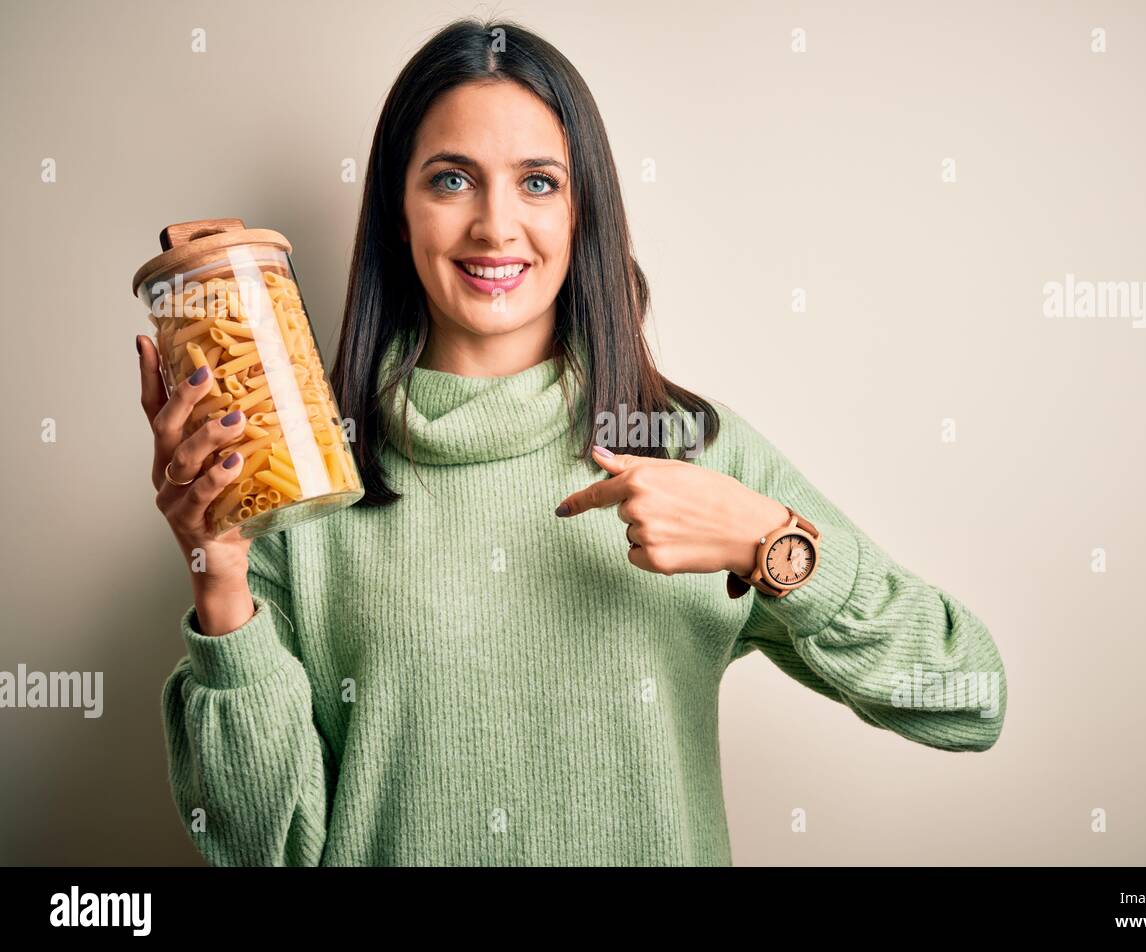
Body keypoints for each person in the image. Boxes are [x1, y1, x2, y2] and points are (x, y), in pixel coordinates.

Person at [137, 17, 1007, 866]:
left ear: (584, 211)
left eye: (539, 182)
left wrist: (766, 541)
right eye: (450, 180)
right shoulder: (302, 483)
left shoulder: (689, 450)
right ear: (399, 216)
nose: (495, 226)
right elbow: (264, 849)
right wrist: (217, 565)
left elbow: (968, 696)